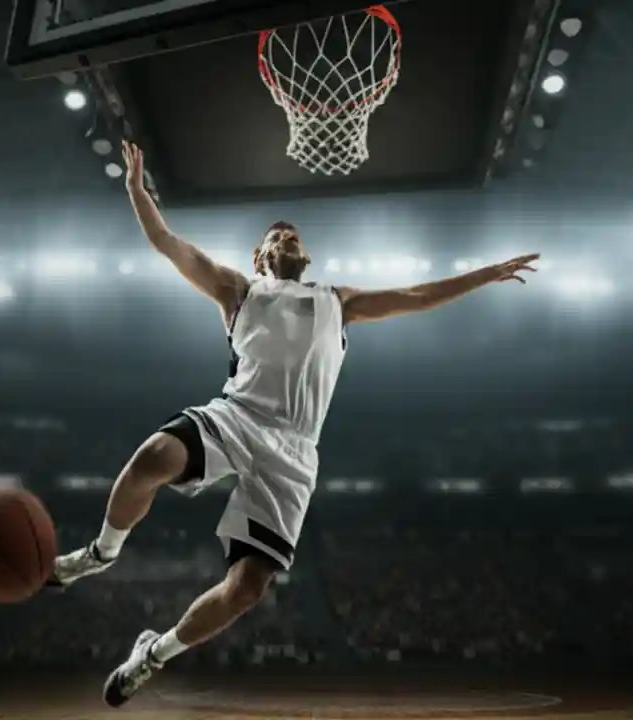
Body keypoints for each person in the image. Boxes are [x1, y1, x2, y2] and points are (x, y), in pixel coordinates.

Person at [49, 140, 538, 707]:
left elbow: (417, 294)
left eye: (292, 232)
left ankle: (153, 655)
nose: (287, 234)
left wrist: (483, 275)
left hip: (296, 451)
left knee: (247, 590)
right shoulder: (238, 289)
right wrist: (137, 191)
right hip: (237, 416)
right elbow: (168, 244)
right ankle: (101, 554)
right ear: (260, 256)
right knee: (153, 459)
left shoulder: (339, 300)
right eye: (275, 234)